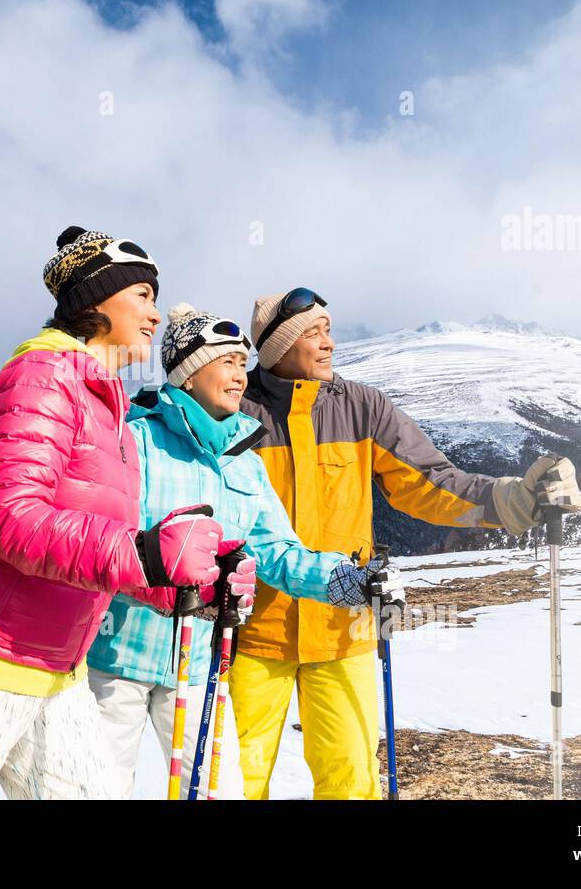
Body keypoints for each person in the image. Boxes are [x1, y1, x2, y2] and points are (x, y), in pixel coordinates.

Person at [0, 228, 231, 800]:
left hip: (57, 671)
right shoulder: (43, 378)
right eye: (142, 294)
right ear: (94, 301)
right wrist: (143, 553)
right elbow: (15, 521)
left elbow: (100, 548)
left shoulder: (107, 404)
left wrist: (186, 581)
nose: (155, 314)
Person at [232, 287, 581, 799]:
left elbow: (431, 484)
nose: (329, 343)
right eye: (313, 334)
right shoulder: (234, 411)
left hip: (342, 627)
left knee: (351, 781)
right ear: (277, 348)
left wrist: (515, 499)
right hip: (251, 632)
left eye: (328, 330)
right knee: (234, 781)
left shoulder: (363, 408)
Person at [86, 305, 400, 799]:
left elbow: (279, 553)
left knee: (221, 791)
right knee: (94, 789)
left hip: (196, 669)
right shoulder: (134, 440)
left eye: (242, 362)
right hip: (114, 656)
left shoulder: (244, 465)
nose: (240, 377)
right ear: (189, 374)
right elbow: (96, 538)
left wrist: (351, 580)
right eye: (227, 362)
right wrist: (158, 581)